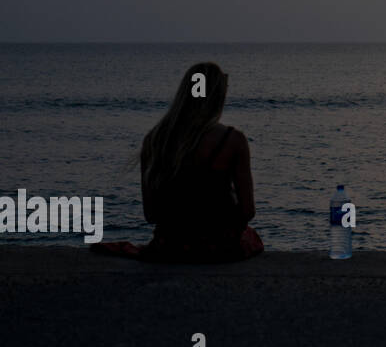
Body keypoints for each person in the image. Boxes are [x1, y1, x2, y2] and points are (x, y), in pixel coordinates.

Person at [95, 61, 263, 262]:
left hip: (170, 245)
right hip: (218, 246)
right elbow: (247, 212)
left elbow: (151, 215)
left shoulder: (155, 139)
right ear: (218, 97)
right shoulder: (232, 140)